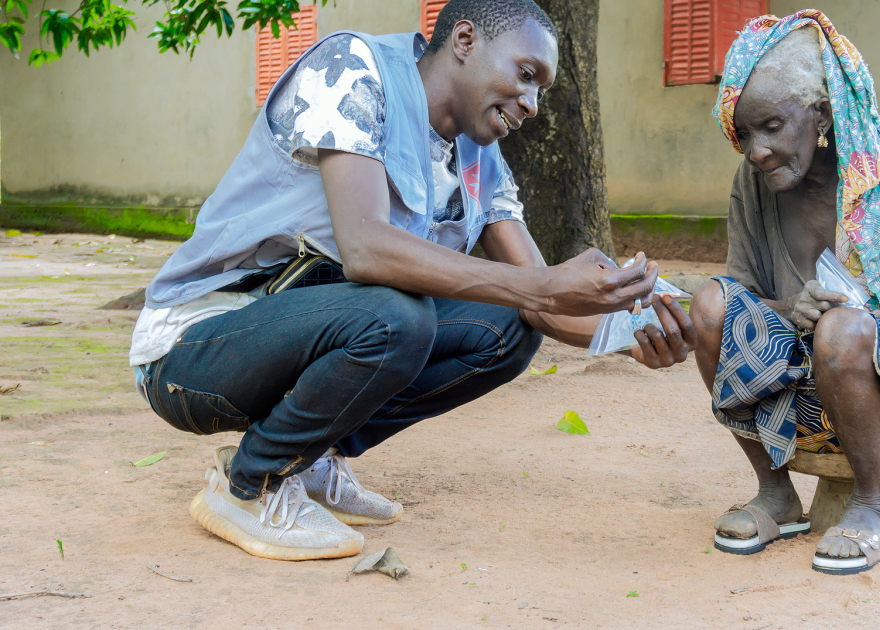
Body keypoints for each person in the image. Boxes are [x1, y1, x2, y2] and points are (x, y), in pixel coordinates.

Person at [129, 0, 693, 561]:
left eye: (541, 90)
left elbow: (538, 300)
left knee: (507, 331)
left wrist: (628, 329)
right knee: (399, 318)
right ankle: (251, 484)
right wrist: (541, 286)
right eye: (526, 76)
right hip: (195, 347)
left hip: (301, 327)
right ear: (466, 41)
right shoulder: (354, 69)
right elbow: (366, 248)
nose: (533, 103)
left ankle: (310, 455)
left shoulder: (479, 158)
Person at [689, 10, 880, 574]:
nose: (757, 151)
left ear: (822, 115)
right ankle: (776, 493)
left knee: (842, 329)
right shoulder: (754, 186)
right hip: (798, 402)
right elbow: (741, 304)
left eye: (772, 127)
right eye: (745, 134)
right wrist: (792, 310)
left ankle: (875, 505)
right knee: (709, 303)